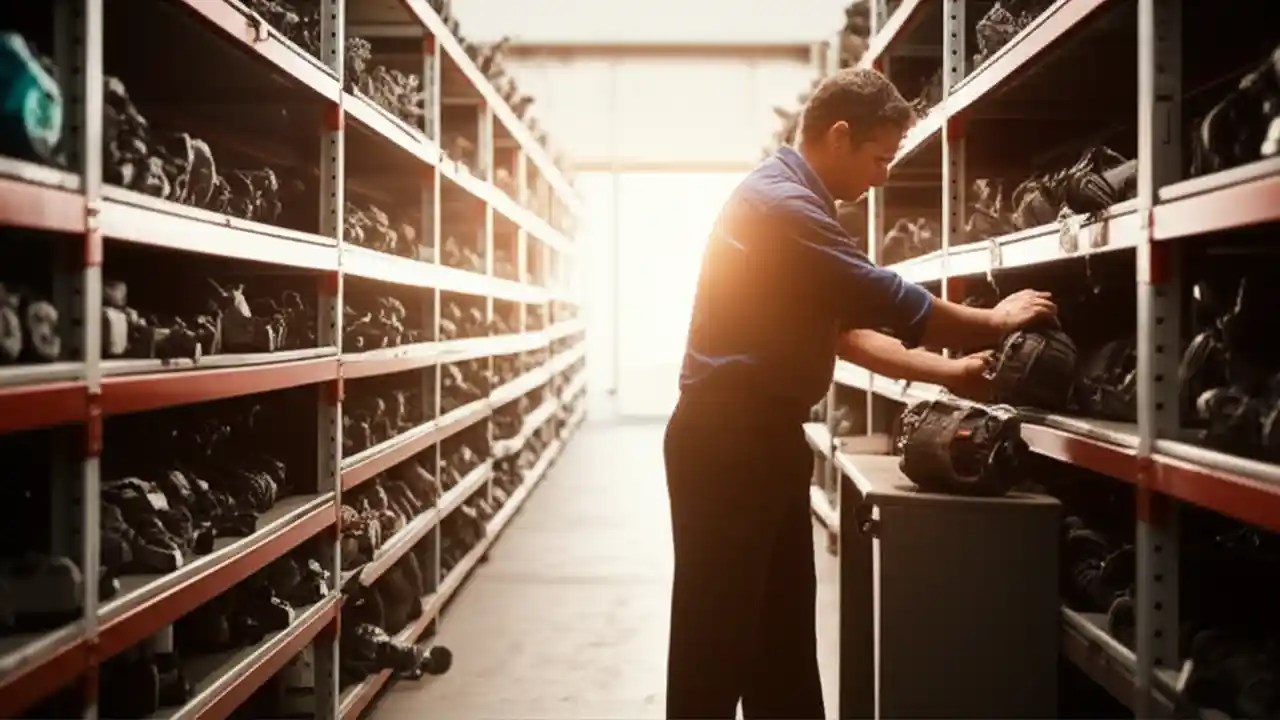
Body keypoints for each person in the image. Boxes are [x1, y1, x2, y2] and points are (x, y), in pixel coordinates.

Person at [663, 67, 1058, 719]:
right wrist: (994, 320)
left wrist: (954, 374)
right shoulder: (781, 206)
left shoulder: (791, 200)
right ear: (839, 136)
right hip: (728, 444)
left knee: (781, 637)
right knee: (716, 641)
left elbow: (845, 333)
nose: (882, 176)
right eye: (880, 158)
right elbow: (884, 296)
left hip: (757, 440)